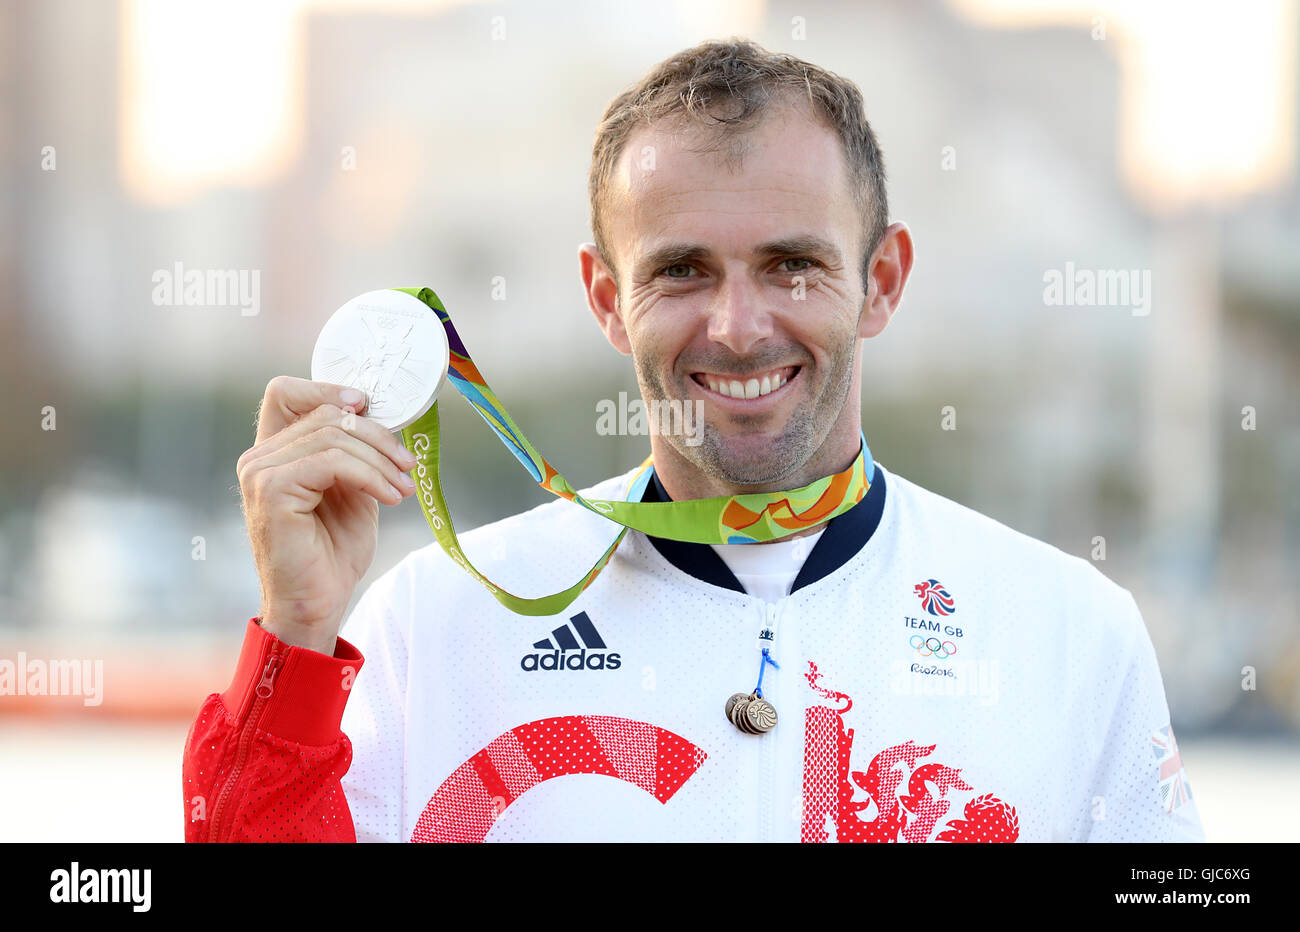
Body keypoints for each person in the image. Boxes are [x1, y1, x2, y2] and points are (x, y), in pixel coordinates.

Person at [183, 37, 1205, 843]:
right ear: (606, 299)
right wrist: (297, 636)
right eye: (680, 271)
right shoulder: (431, 620)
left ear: (881, 280)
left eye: (792, 264)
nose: (737, 325)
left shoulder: (1067, 631)